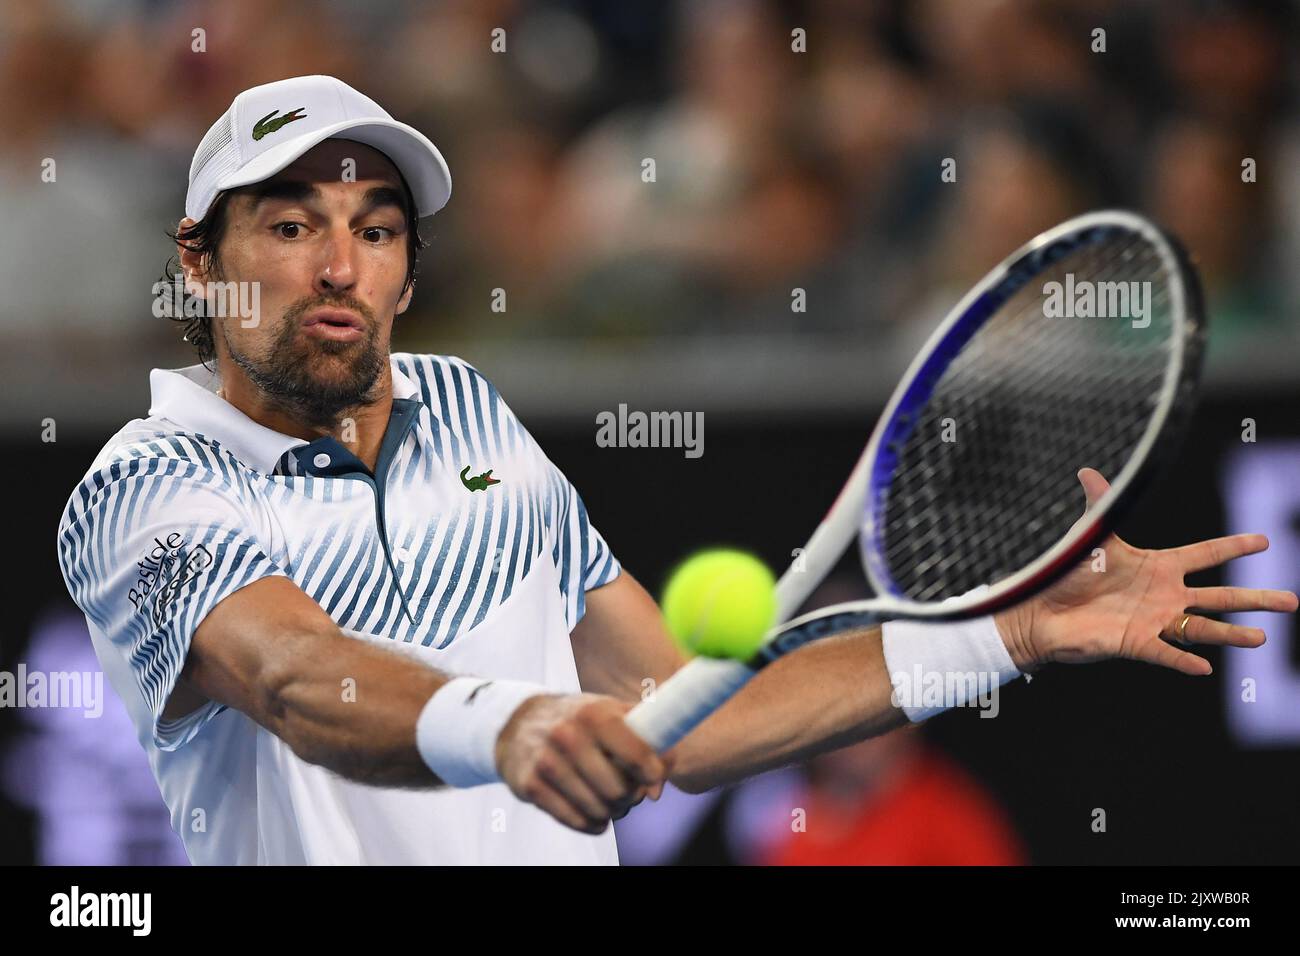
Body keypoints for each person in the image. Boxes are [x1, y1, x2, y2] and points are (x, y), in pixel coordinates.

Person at [56, 75, 1297, 865]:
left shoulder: (474, 412)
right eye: (287, 224)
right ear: (197, 258)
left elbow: (685, 716)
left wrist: (1007, 632)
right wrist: (515, 721)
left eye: (375, 230)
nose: (340, 265)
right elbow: (291, 674)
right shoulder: (148, 480)